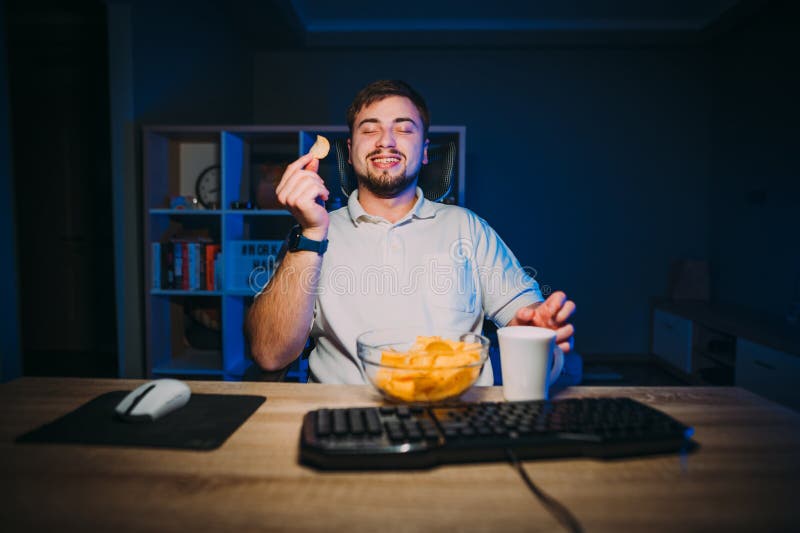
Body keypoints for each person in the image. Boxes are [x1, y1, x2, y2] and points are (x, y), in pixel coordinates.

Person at [246, 79, 575, 384]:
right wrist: (312, 232)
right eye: (369, 129)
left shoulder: (469, 228)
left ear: (426, 149)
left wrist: (538, 332)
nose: (386, 141)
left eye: (403, 129)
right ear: (349, 150)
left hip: (456, 418)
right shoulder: (310, 234)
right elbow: (269, 355)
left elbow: (529, 322)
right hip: (345, 422)